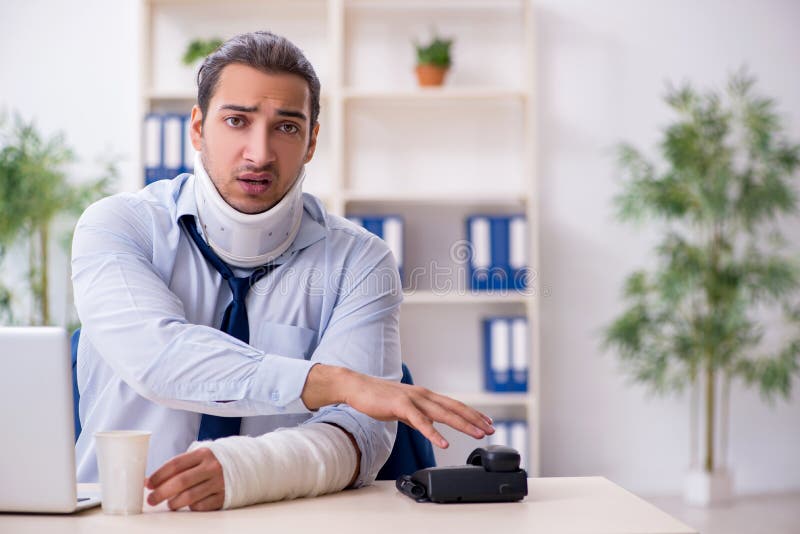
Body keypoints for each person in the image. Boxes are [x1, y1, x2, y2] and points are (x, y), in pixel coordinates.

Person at [72, 30, 493, 511]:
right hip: (114, 518)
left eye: (287, 127)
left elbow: (358, 434)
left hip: (281, 517)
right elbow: (159, 358)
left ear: (312, 140)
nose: (260, 153)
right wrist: (337, 382)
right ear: (196, 127)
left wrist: (247, 471)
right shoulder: (118, 226)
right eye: (236, 121)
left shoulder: (361, 260)